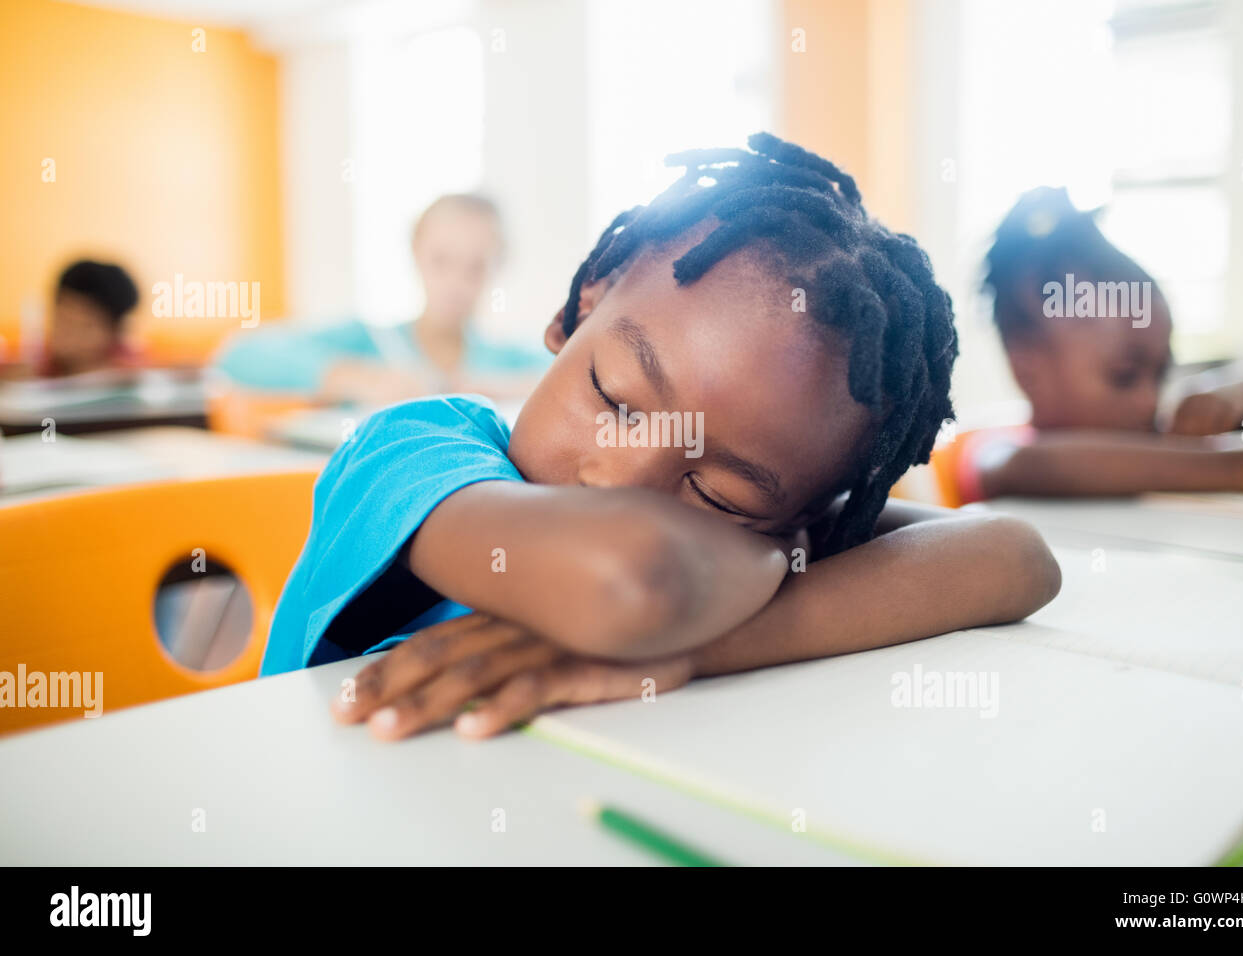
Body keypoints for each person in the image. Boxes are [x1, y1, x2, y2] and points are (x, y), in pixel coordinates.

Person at [261, 133, 1063, 743]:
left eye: (719, 492)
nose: (621, 478)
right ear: (580, 304)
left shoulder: (775, 519)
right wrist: (762, 555)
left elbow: (1016, 558)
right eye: (615, 398)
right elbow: (631, 575)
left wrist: (694, 649)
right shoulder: (412, 448)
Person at [931, 187, 1243, 504]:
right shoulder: (1000, 453)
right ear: (1026, 365)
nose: (1151, 399)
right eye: (1124, 376)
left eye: (1161, 373)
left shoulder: (1145, 430)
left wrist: (1230, 398)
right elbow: (1040, 466)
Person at [214, 193, 547, 404]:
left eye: (475, 268)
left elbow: (572, 375)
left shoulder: (505, 359)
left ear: (498, 266)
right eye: (441, 261)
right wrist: (357, 379)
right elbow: (238, 354)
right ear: (416, 252)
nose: (455, 283)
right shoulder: (368, 342)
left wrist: (495, 389)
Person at [39, 259, 141, 377]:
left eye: (84, 327)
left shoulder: (129, 379)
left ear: (115, 331)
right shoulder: (37, 373)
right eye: (62, 320)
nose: (67, 336)